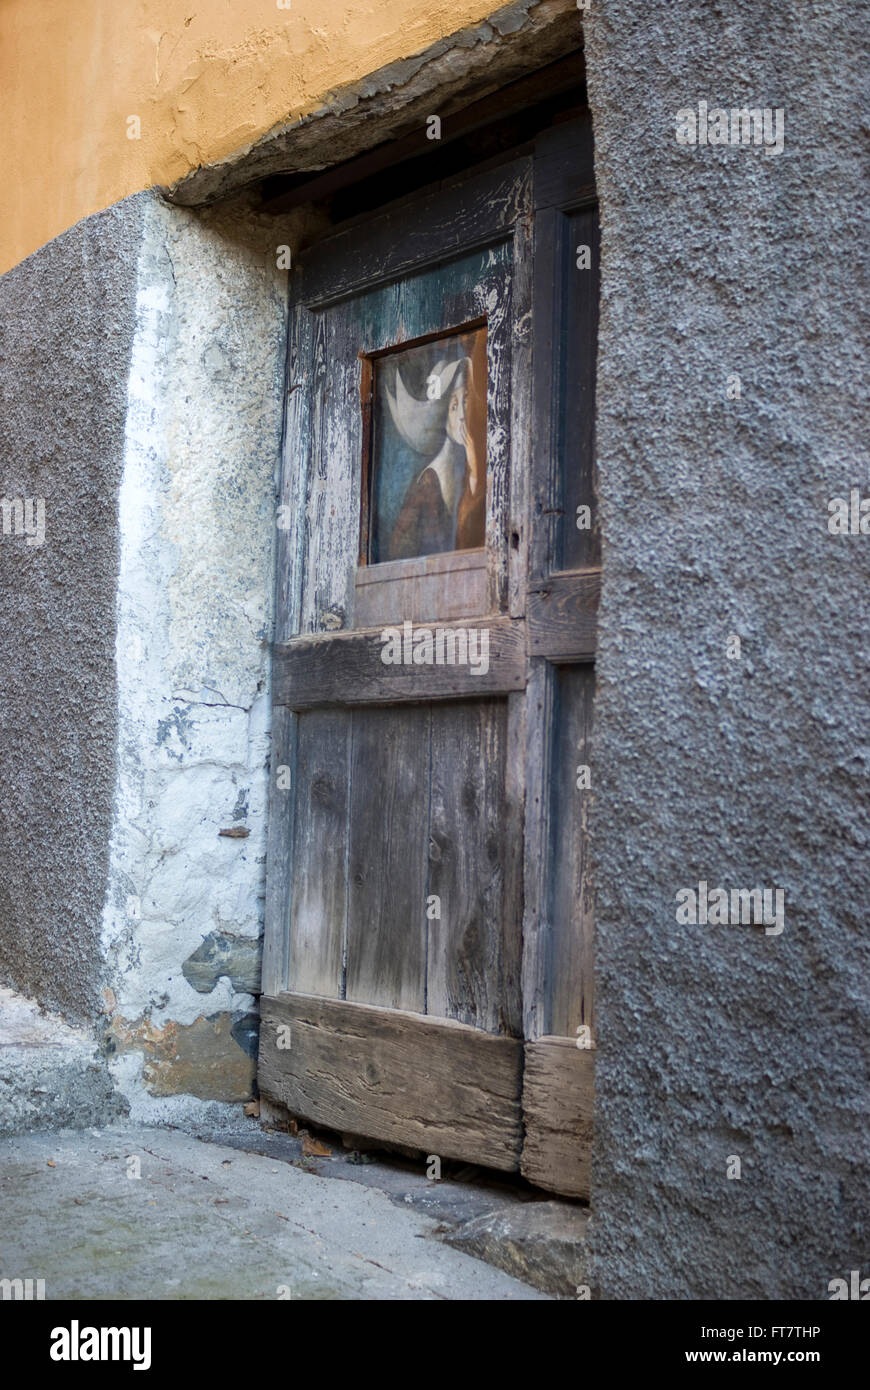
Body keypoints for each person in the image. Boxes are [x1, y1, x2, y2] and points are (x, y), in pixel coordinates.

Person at [386, 355, 485, 560]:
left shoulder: (472, 464)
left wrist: (475, 471)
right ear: (444, 417)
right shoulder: (428, 480)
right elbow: (402, 551)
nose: (462, 416)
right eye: (454, 406)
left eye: (466, 401)